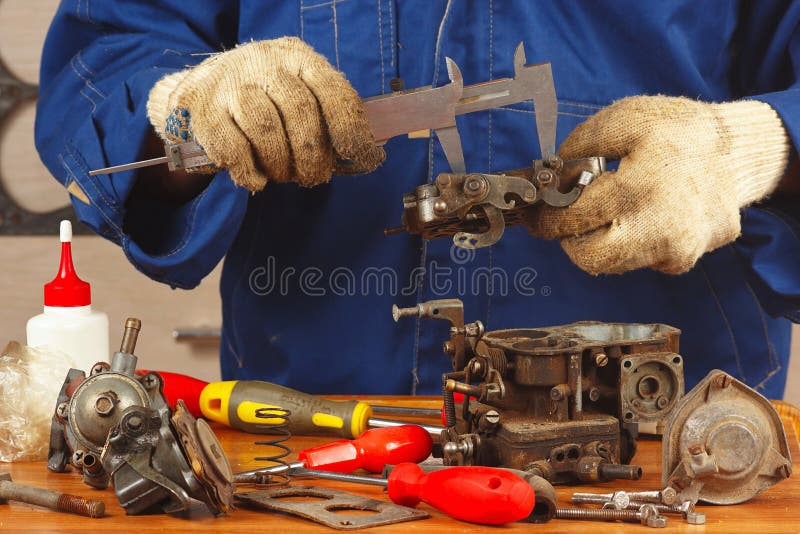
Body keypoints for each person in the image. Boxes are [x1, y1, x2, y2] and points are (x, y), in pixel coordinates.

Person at [36, 1, 799, 398]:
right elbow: (108, 50)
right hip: (313, 440)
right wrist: (182, 104)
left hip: (675, 431)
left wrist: (755, 147)